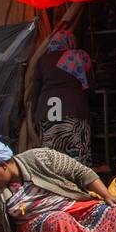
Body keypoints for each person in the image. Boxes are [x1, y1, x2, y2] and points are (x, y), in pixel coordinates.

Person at [31, 28, 93, 164]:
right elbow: (90, 84)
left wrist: (34, 116)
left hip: (46, 112)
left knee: (51, 158)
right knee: (77, 156)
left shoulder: (42, 60)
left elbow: (35, 90)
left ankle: (54, 184)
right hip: (73, 109)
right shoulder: (79, 56)